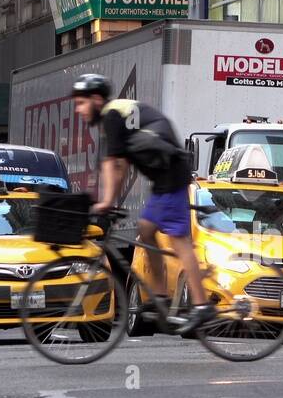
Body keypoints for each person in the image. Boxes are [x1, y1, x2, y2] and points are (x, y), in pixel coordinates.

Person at [71, 73, 214, 334]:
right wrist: (110, 201)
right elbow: (120, 165)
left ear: (96, 99)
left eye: (81, 103)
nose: (79, 110)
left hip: (171, 175)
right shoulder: (113, 118)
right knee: (146, 230)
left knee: (180, 242)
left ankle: (202, 305)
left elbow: (113, 164)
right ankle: (159, 297)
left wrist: (106, 202)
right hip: (163, 179)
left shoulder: (112, 115)